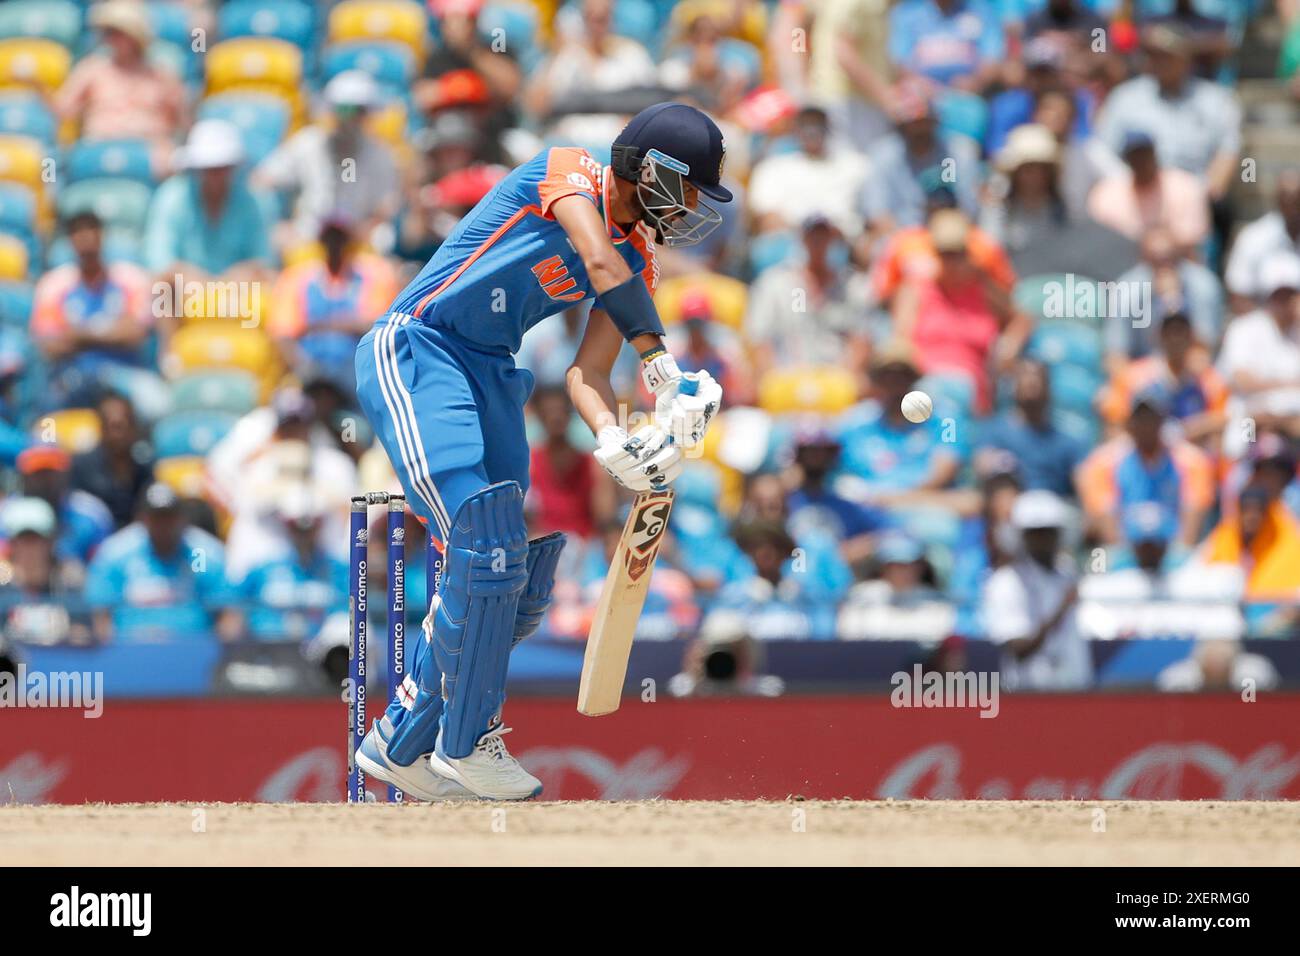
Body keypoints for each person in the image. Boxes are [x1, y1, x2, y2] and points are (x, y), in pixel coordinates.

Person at [351, 103, 729, 800]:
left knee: (514, 570)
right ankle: (460, 742)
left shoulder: (637, 260)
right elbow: (593, 256)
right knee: (481, 538)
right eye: (691, 188)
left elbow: (588, 375)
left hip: (491, 370)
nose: (696, 207)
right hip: (419, 346)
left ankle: (407, 744)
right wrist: (664, 369)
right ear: (649, 171)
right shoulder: (569, 171)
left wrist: (616, 439)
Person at [253, 71, 401, 251]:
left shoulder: (380, 155)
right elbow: (261, 180)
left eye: (356, 111)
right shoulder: (307, 143)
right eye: (343, 110)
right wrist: (276, 223)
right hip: (307, 240)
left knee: (383, 238)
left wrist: (366, 228)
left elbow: (385, 207)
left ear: (366, 115)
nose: (348, 120)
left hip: (356, 243)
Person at [84, 482, 241, 644]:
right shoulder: (117, 553)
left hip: (194, 652)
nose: (163, 525)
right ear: (142, 519)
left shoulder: (199, 554)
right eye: (156, 518)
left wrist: (216, 650)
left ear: (182, 518)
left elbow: (228, 612)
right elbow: (101, 615)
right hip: (130, 652)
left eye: (169, 517)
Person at [31, 210, 156, 411]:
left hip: (124, 374)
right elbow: (50, 346)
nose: (86, 240)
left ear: (102, 235)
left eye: (91, 230)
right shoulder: (53, 285)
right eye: (78, 233)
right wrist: (110, 331)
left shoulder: (131, 279)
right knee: (43, 411)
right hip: (72, 376)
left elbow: (135, 334)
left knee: (155, 404)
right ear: (70, 241)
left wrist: (79, 334)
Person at [53, 0, 186, 170]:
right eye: (107, 32)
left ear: (134, 36)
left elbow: (179, 121)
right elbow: (64, 110)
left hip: (149, 152)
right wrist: (37, 87)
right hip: (98, 151)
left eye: (116, 32)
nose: (110, 38)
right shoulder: (91, 69)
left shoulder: (161, 74)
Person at [982, 489, 1093, 690]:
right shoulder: (1006, 582)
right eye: (1035, 533)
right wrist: (1060, 611)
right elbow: (1018, 650)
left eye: (1048, 531)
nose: (1043, 540)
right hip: (1029, 698)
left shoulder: (1068, 572)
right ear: (1022, 536)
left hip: (1077, 692)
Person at [143, 120, 271, 285]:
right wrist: (190, 277)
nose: (216, 177)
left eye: (222, 167)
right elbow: (158, 261)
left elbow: (263, 261)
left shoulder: (254, 202)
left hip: (239, 297)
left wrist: (238, 276)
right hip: (183, 296)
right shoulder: (171, 197)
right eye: (209, 169)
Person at [1087, 130, 1210, 254]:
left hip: (1177, 263)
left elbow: (1193, 241)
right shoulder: (1106, 194)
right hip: (1121, 266)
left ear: (1154, 154)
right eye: (1135, 156)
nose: (1141, 161)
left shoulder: (1184, 186)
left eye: (1145, 154)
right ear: (1127, 160)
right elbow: (1098, 243)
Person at [978, 358, 1086, 497]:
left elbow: (1083, 482)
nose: (1031, 382)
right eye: (1024, 376)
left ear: (1048, 387)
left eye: (1037, 377)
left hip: (1054, 507)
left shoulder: (1065, 442)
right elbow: (982, 465)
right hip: (1012, 506)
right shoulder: (995, 431)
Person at [69, 391, 156, 529]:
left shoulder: (145, 468)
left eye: (126, 426)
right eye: (115, 427)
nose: (120, 434)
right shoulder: (81, 468)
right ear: (101, 429)